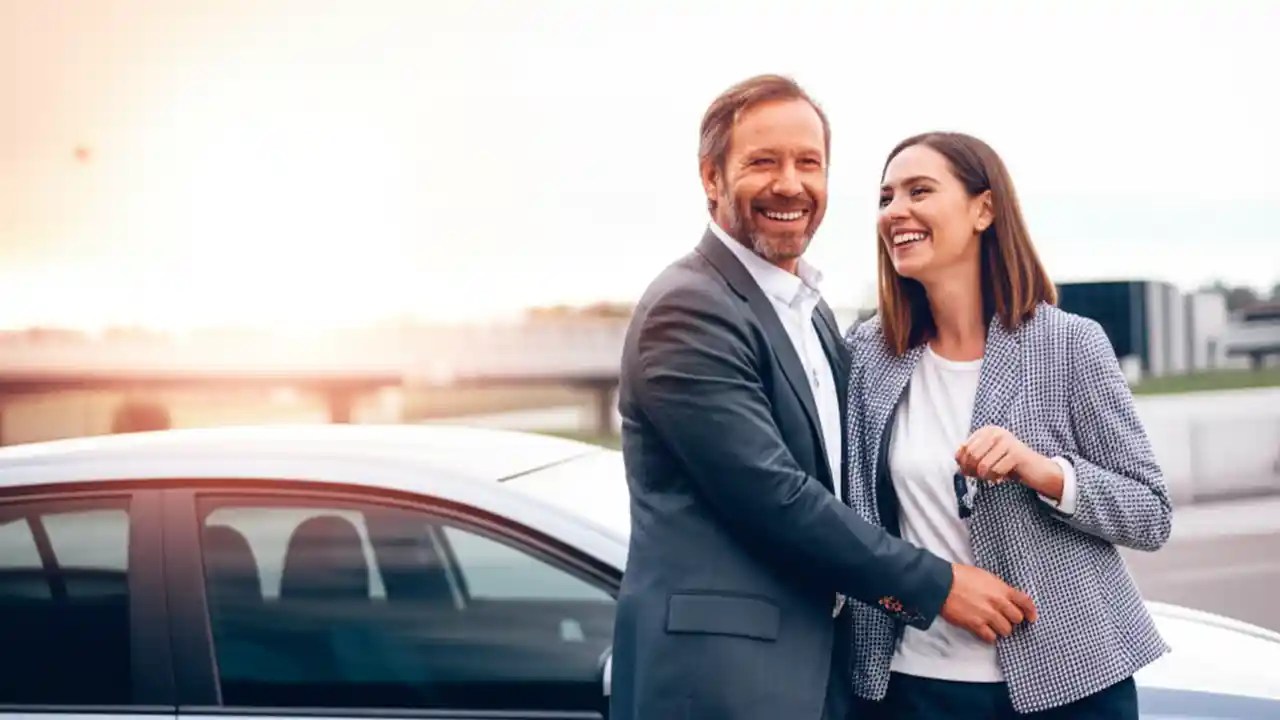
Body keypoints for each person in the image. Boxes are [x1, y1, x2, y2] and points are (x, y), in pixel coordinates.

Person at [610, 77, 1036, 720]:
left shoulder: (811, 316)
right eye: (763, 161)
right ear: (711, 177)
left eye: (809, 163)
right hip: (722, 680)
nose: (791, 184)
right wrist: (940, 584)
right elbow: (774, 496)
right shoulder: (688, 308)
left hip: (824, 671)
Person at [844, 131, 1172, 718]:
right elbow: (847, 520)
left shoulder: (1068, 344)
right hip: (909, 686)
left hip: (1071, 682)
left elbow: (1150, 513)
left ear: (983, 209)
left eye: (920, 191)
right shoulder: (865, 356)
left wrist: (1043, 471)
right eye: (886, 198)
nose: (897, 212)